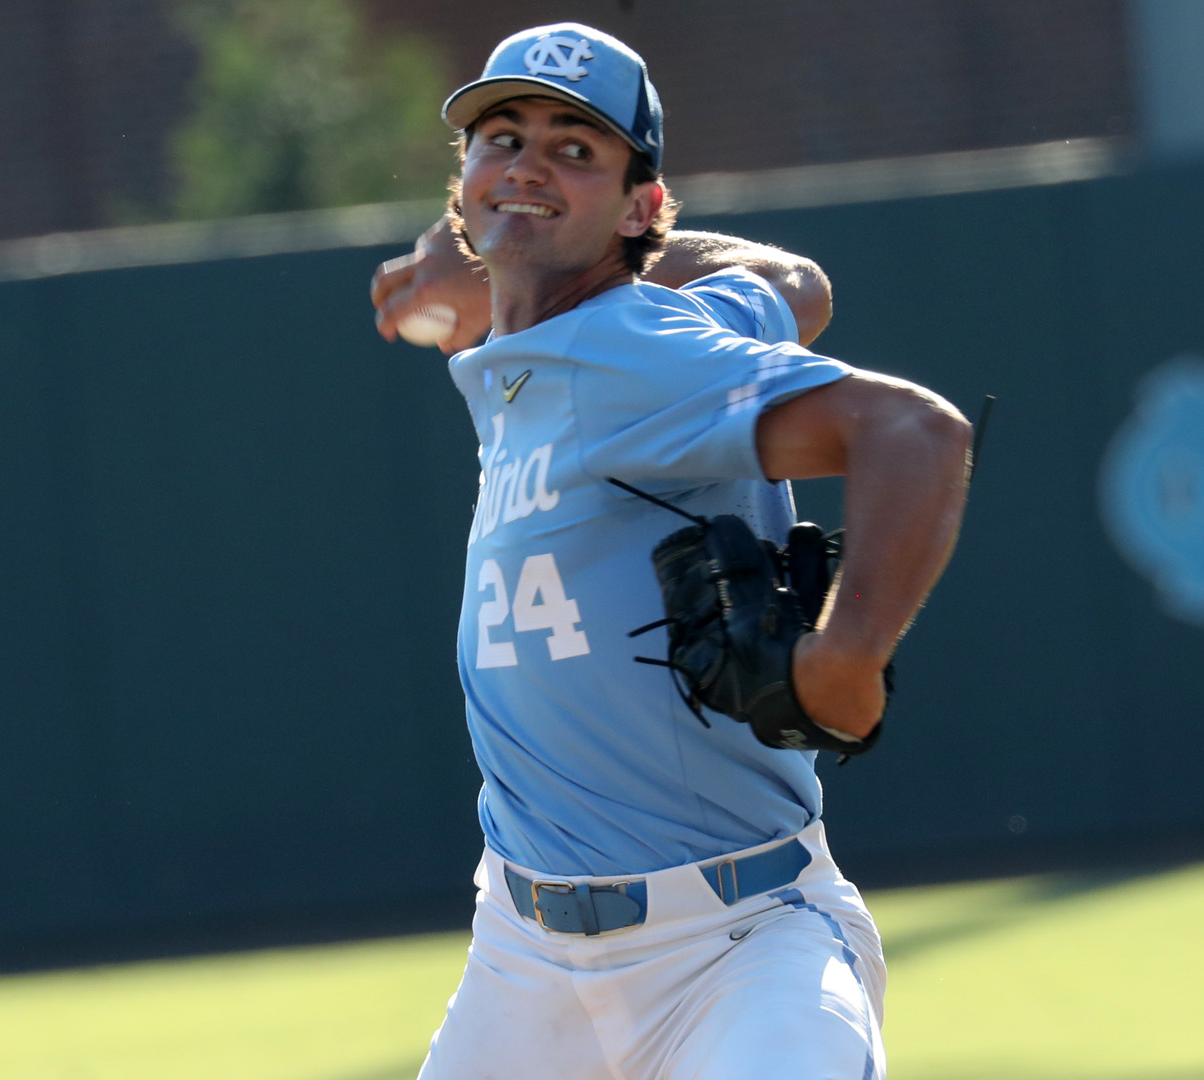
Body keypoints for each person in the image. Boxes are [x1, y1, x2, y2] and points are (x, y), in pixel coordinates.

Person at [369, 23, 971, 1080]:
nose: (527, 163)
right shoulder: (544, 354)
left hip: (734, 952)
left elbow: (916, 431)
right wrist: (507, 245)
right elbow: (796, 282)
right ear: (462, 186)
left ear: (643, 208)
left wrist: (848, 653)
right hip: (525, 957)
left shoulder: (631, 347)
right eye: (501, 140)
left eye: (576, 150)